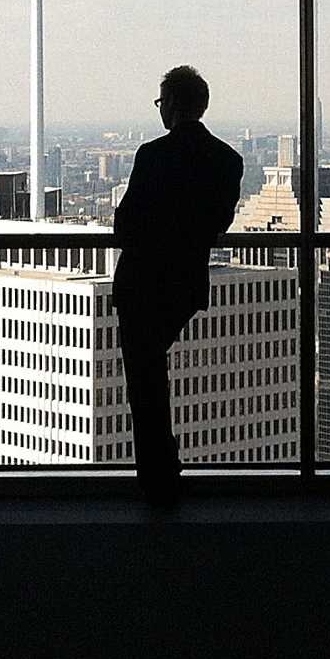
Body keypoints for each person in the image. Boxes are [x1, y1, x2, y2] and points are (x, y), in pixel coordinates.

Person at [111, 65, 244, 506]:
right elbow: (217, 223)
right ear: (201, 106)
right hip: (184, 283)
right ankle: (163, 473)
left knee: (144, 384)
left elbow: (125, 225)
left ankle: (159, 477)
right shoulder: (228, 160)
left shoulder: (152, 155)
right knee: (152, 376)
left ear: (171, 104)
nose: (160, 110)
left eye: (161, 102)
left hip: (141, 284)